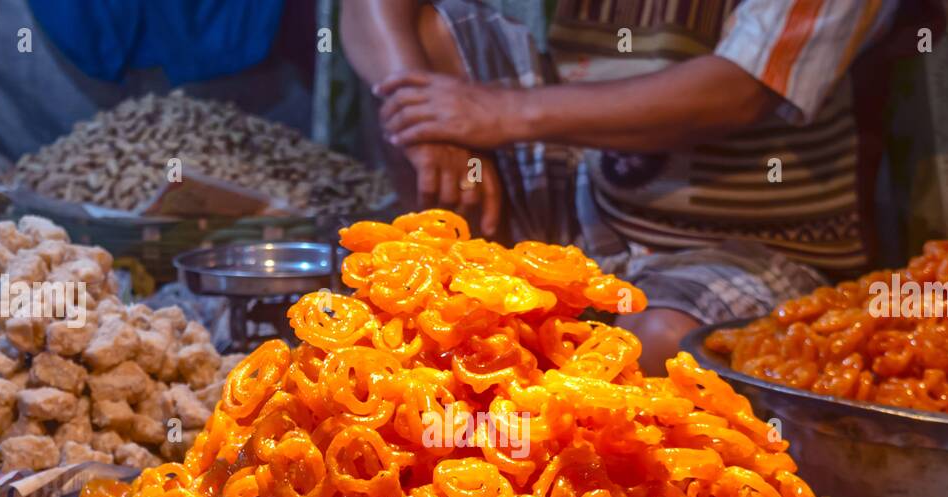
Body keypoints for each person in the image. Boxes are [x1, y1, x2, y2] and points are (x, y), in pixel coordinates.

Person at [341, 0, 904, 372]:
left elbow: (739, 92)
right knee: (432, 33)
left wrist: (496, 112)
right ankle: (449, 307)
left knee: (664, 344)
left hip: (745, 242)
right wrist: (425, 125)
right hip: (586, 199)